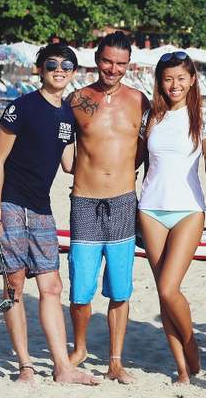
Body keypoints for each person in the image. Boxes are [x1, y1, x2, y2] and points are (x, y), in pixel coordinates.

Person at [0, 44, 98, 385]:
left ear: (74, 73)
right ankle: (26, 366)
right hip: (10, 205)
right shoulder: (21, 108)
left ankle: (63, 368)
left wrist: (107, 157)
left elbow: (68, 165)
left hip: (42, 209)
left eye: (67, 66)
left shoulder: (68, 116)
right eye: (52, 64)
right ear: (40, 69)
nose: (59, 70)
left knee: (52, 286)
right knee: (14, 285)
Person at [138, 51, 206, 384]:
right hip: (150, 209)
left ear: (192, 79)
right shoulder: (150, 118)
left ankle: (192, 347)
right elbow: (144, 164)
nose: (174, 85)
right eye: (167, 78)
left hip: (189, 208)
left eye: (180, 78)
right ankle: (181, 368)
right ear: (160, 82)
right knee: (164, 294)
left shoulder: (204, 116)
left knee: (169, 287)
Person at [66, 31, 148, 383]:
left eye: (120, 63)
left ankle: (115, 359)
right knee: (80, 287)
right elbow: (59, 137)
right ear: (96, 59)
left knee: (120, 287)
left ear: (129, 64)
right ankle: (81, 347)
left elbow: (150, 144)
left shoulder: (140, 101)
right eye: (107, 61)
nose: (113, 69)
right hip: (84, 199)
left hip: (122, 201)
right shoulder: (79, 100)